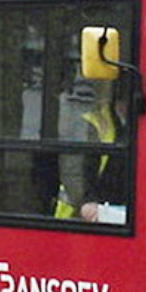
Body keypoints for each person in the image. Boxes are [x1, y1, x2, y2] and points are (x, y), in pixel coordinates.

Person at [56, 80, 129, 223]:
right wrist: (86, 201)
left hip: (116, 208)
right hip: (81, 214)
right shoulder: (94, 122)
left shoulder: (134, 126)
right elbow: (74, 169)